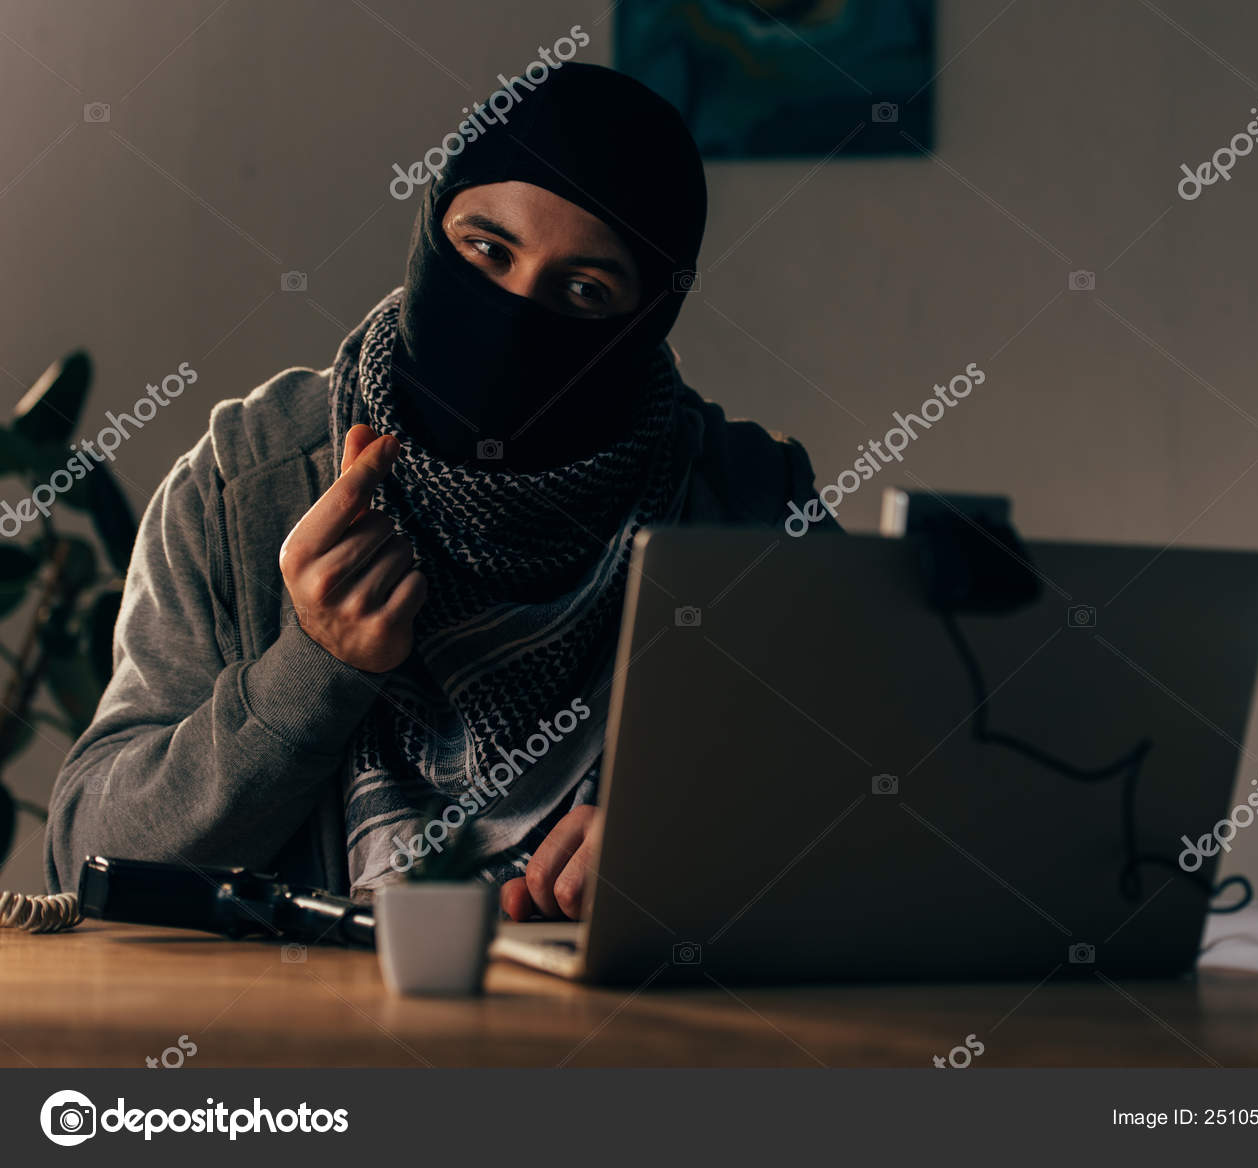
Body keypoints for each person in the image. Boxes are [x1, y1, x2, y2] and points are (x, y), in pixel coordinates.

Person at [44, 62, 834, 921]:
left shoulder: (747, 509)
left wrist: (700, 842)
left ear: (647, 323)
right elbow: (90, 854)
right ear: (431, 233)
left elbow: (885, 811)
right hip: (299, 1039)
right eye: (486, 251)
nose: (511, 313)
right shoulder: (247, 481)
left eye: (583, 290)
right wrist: (311, 670)